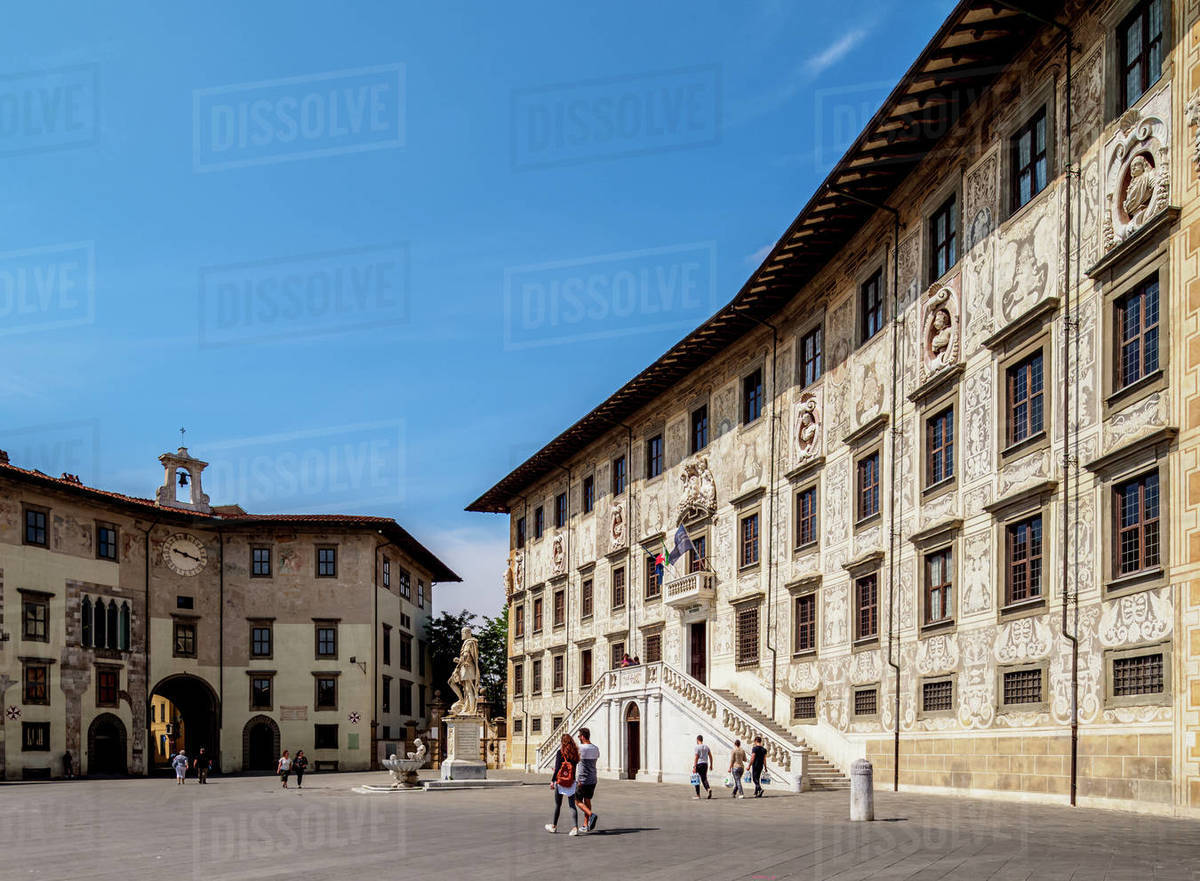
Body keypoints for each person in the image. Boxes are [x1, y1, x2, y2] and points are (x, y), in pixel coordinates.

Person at [545, 733, 581, 836]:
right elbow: (574, 768)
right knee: (572, 805)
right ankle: (575, 828)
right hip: (571, 781)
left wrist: (552, 781)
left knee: (558, 805)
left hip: (560, 781)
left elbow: (557, 769)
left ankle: (554, 826)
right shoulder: (574, 754)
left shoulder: (560, 753)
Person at [576, 728, 600, 833]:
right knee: (587, 800)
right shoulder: (595, 748)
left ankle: (591, 815)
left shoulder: (580, 748)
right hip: (593, 779)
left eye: (579, 736)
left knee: (576, 801)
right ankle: (586, 824)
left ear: (582, 736)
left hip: (583, 779)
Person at [692, 735, 712, 799]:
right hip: (705, 764)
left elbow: (696, 757)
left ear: (697, 740)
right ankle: (708, 789)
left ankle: (698, 795)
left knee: (696, 779)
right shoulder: (706, 747)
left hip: (699, 764)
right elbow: (710, 756)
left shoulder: (697, 747)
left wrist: (694, 766)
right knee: (704, 779)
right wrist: (711, 765)